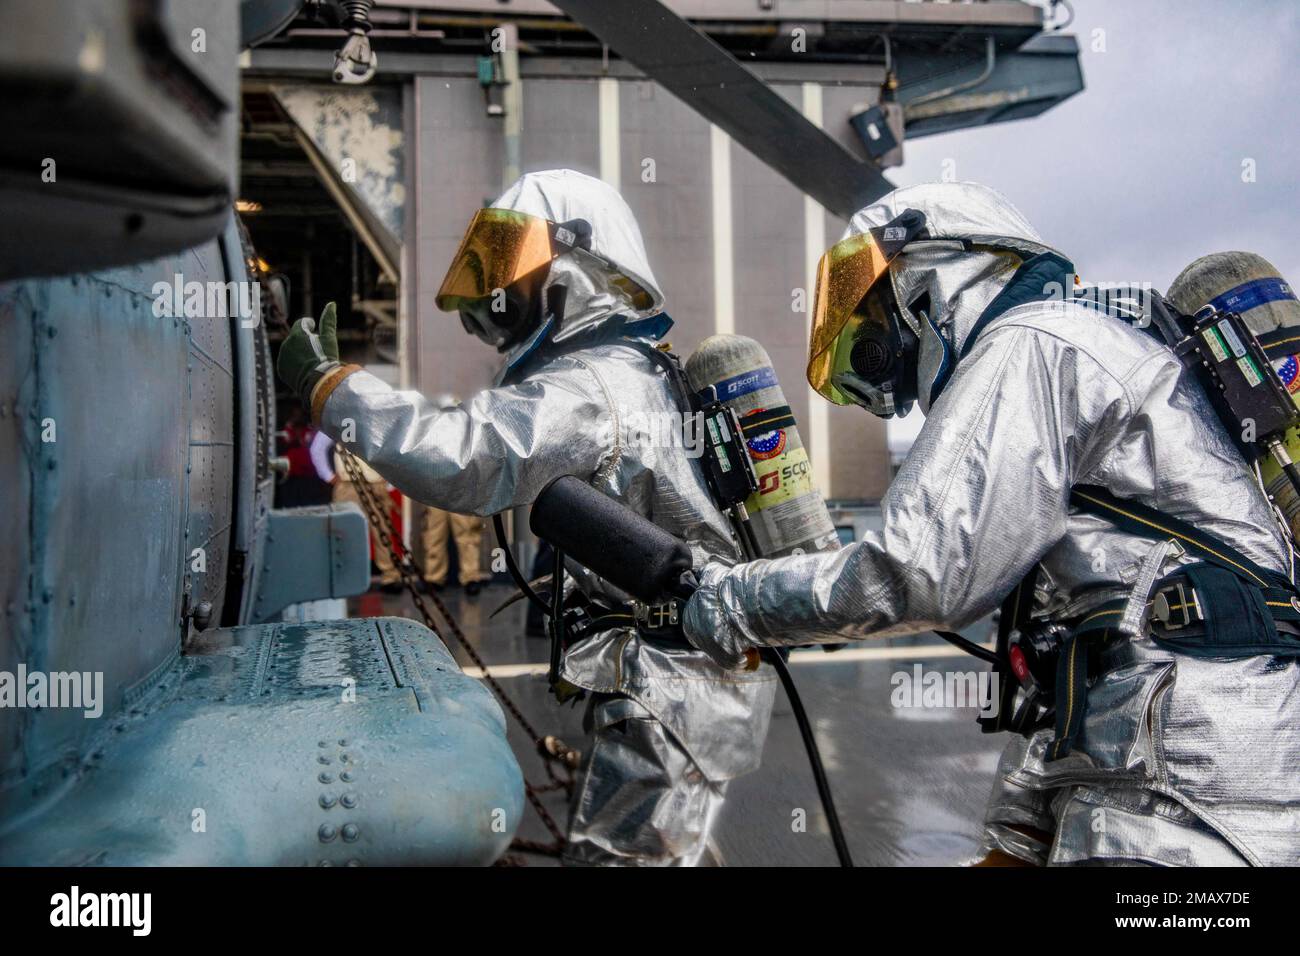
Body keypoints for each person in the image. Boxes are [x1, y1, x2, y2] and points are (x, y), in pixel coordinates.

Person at [681, 182, 1300, 866]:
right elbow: (1076, 659)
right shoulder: (1093, 339)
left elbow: (913, 574)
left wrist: (724, 599)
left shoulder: (1033, 341)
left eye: (872, 290)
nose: (875, 332)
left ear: (937, 269)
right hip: (1191, 764)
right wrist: (1013, 839)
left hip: (1186, 787)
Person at [276, 169, 776, 865]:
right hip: (683, 682)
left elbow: (464, 456)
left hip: (671, 691)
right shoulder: (633, 370)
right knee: (669, 848)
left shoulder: (593, 384)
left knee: (630, 859)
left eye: (515, 267)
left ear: (578, 268)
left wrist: (332, 387)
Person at [308, 422, 402, 593]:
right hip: (347, 485)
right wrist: (328, 475)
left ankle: (390, 576)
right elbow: (318, 448)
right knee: (344, 533)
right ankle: (345, 577)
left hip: (375, 483)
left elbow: (393, 450)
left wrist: (388, 483)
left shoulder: (377, 417)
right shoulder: (339, 417)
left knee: (382, 532)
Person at [418, 395, 491, 596]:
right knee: (434, 535)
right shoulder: (431, 437)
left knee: (468, 535)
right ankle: (434, 578)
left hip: (461, 490)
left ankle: (471, 577)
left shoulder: (469, 436)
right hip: (437, 491)